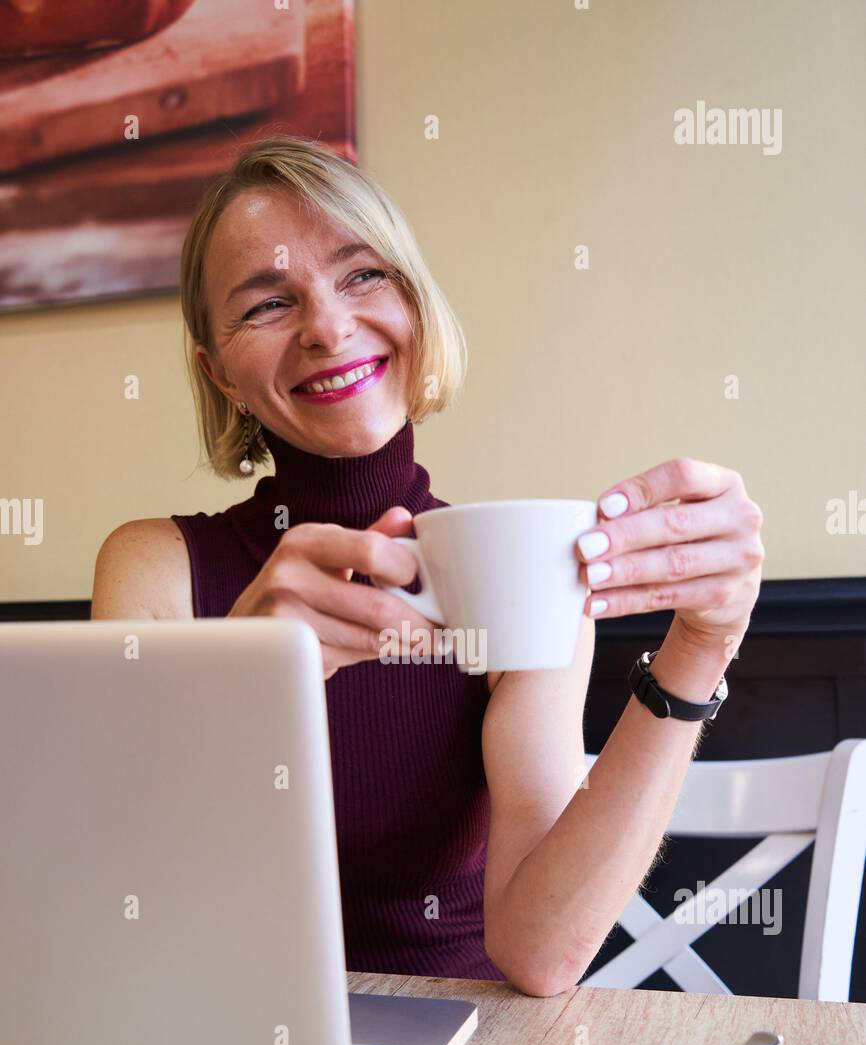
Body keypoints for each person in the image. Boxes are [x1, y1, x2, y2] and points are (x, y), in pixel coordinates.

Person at [91, 136, 764, 995]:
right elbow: (124, 919)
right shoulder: (155, 570)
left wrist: (702, 647)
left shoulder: (518, 570)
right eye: (267, 304)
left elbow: (541, 950)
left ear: (416, 302)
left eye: (363, 274)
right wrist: (232, 691)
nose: (329, 327)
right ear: (217, 373)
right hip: (226, 1042)